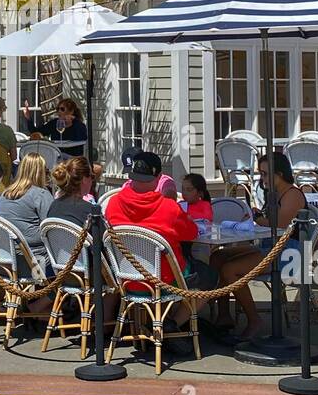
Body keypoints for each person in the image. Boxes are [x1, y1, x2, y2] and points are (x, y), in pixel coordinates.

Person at [104, 150, 202, 351]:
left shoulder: (113, 204)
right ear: (158, 178)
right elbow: (192, 233)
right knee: (209, 276)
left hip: (126, 279)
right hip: (161, 280)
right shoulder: (169, 208)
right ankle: (169, 325)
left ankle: (157, 324)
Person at [209, 151, 306, 341]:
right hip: (270, 245)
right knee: (218, 256)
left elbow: (279, 224)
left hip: (288, 252)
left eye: (265, 173)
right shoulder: (274, 194)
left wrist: (257, 218)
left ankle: (254, 320)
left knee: (230, 270)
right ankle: (223, 315)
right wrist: (257, 217)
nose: (262, 178)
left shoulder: (292, 195)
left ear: (279, 174)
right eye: (261, 173)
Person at [0, 151, 53, 256]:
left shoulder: (5, 193)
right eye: (45, 170)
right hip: (36, 256)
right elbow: (51, 227)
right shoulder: (40, 194)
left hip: (8, 253)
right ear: (40, 172)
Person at [21, 96, 88, 150]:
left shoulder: (78, 124)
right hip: (56, 155)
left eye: (62, 109)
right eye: (57, 109)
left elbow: (83, 139)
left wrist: (72, 123)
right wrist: (28, 118)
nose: (59, 111)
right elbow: (36, 131)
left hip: (73, 156)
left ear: (71, 111)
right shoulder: (54, 123)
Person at [49, 155, 97, 229]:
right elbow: (102, 238)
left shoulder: (53, 206)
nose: (92, 181)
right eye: (92, 176)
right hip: (81, 241)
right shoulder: (91, 211)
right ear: (84, 179)